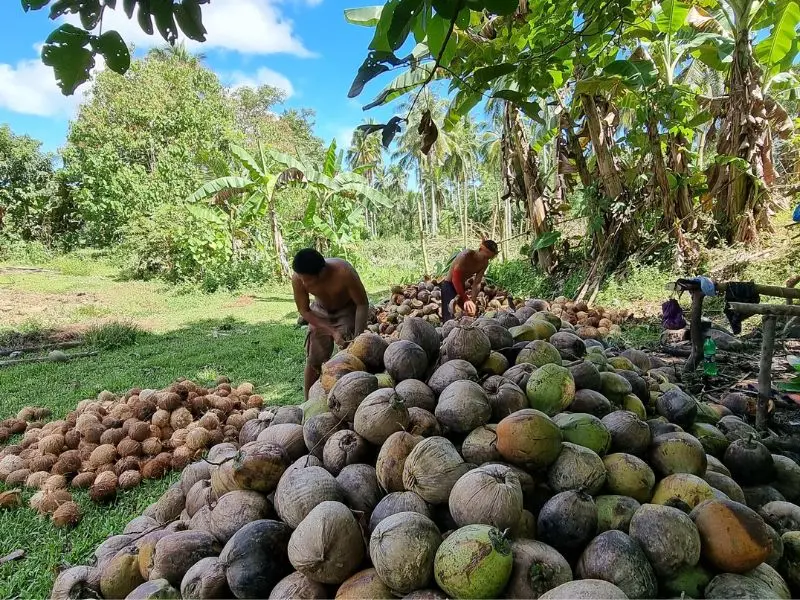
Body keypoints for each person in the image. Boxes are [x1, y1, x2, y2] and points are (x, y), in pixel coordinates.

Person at [291, 248, 369, 400]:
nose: (303, 283)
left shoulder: (344, 272)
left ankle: (351, 396)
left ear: (321, 273)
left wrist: (357, 338)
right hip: (319, 310)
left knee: (351, 355)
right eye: (301, 278)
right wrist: (332, 331)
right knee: (314, 359)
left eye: (307, 280)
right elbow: (304, 310)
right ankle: (307, 401)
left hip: (347, 309)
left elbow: (362, 304)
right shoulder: (298, 278)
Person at [440, 239, 499, 322]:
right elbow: (455, 279)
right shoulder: (465, 255)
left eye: (489, 258)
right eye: (485, 256)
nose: (486, 259)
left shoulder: (485, 263)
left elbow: (477, 283)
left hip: (461, 286)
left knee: (466, 315)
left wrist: (473, 301)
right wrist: (466, 299)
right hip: (449, 285)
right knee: (449, 318)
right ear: (480, 249)